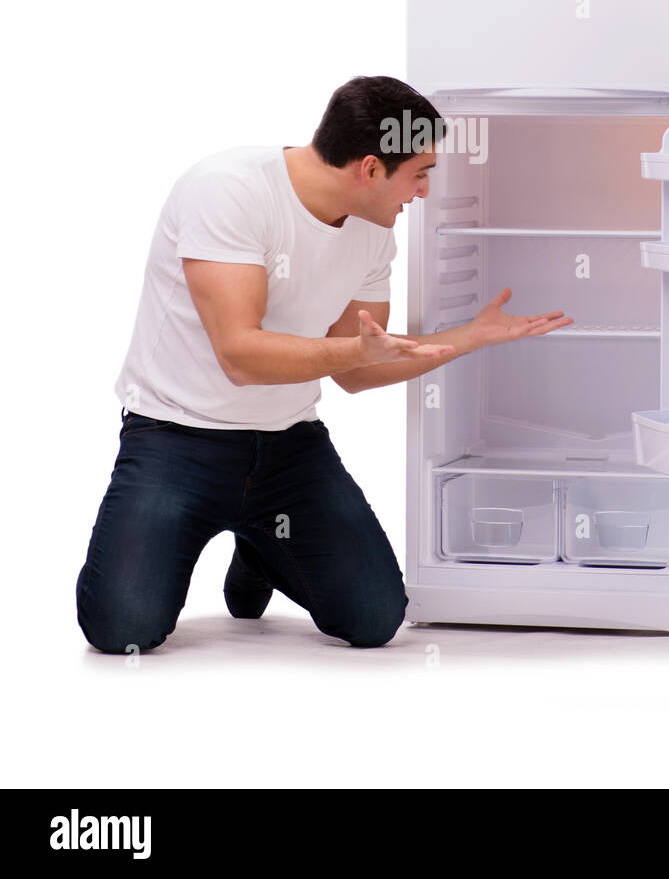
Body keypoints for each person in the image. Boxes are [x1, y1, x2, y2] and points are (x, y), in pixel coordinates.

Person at [75, 75, 572, 654]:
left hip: (289, 447)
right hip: (176, 440)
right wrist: (354, 351)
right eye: (420, 174)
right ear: (369, 168)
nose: (424, 192)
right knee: (122, 630)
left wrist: (471, 336)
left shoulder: (372, 234)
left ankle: (263, 543)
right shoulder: (226, 191)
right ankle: (253, 534)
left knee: (374, 618)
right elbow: (240, 354)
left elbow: (358, 371)